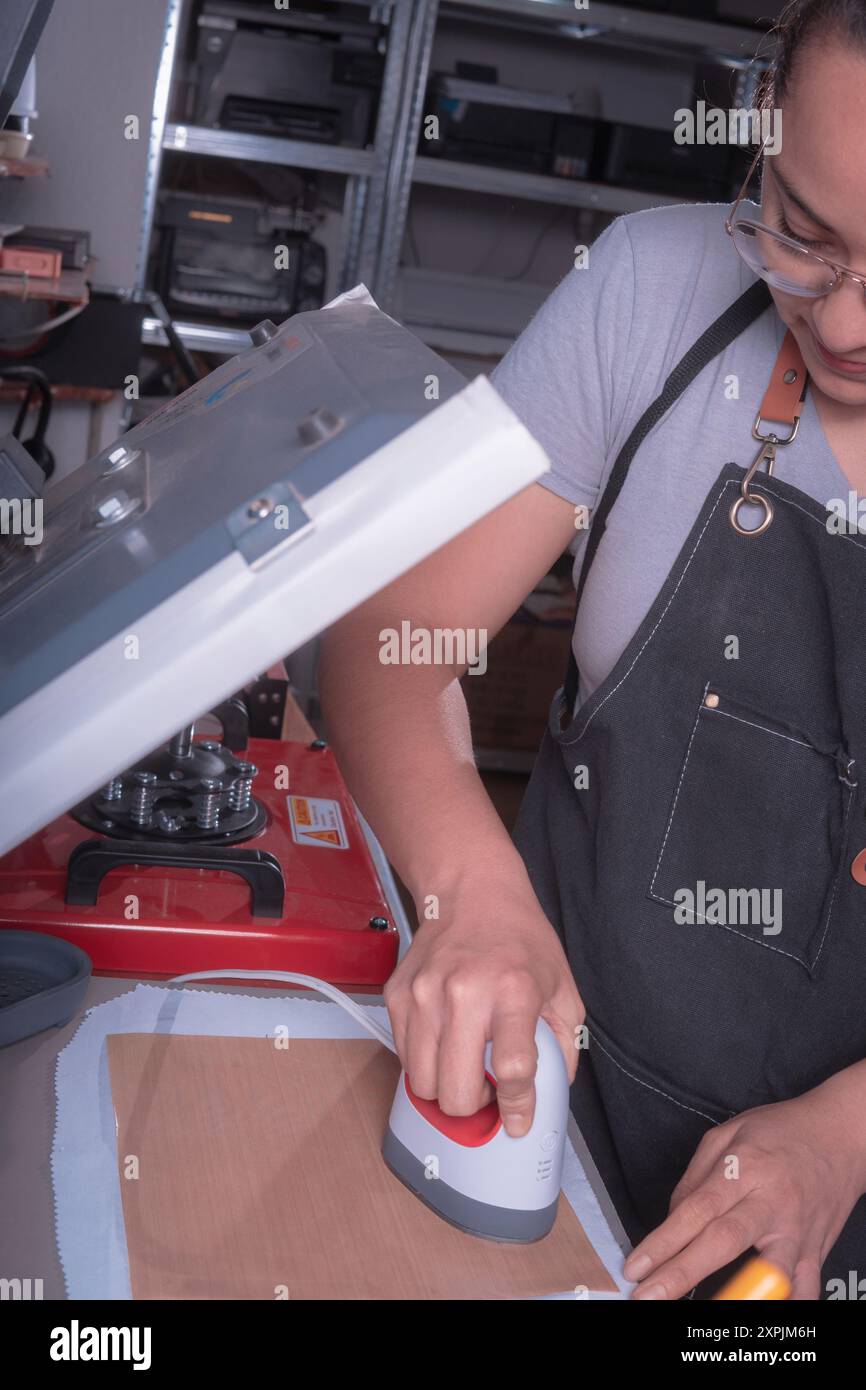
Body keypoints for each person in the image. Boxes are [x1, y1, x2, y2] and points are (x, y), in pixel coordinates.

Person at [318, 0, 866, 1300]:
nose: (841, 325)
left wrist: (845, 1135)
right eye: (800, 231)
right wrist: (472, 891)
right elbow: (392, 642)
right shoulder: (651, 291)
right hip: (537, 1124)